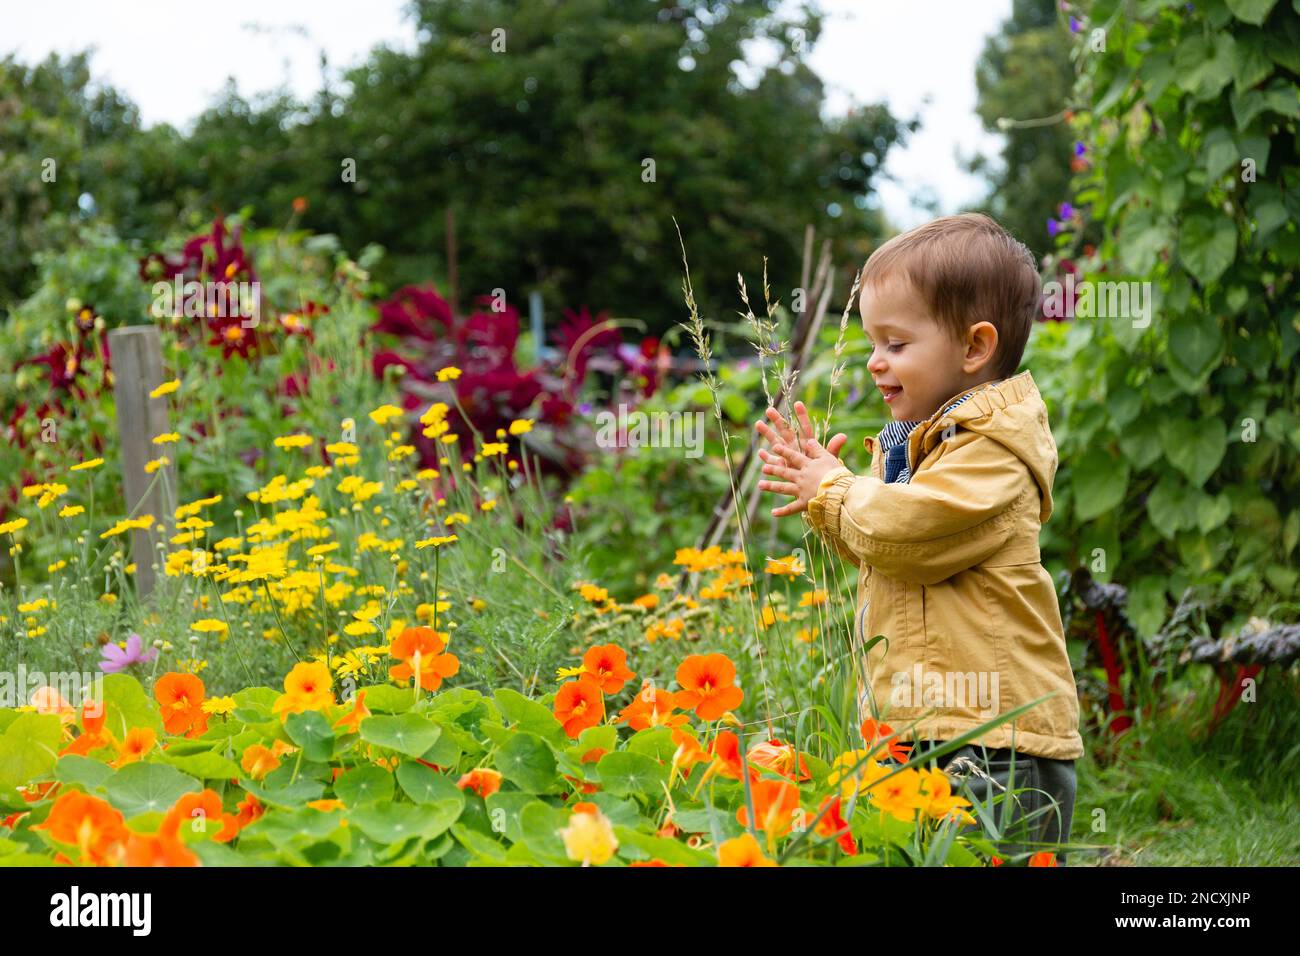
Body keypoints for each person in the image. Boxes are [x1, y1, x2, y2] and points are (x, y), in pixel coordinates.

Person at [754, 212, 1082, 864]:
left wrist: (836, 489)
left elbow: (912, 532)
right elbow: (885, 551)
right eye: (873, 343)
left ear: (973, 348)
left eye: (896, 344)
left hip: (997, 744)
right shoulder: (917, 444)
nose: (876, 361)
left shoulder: (994, 450)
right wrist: (824, 499)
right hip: (922, 729)